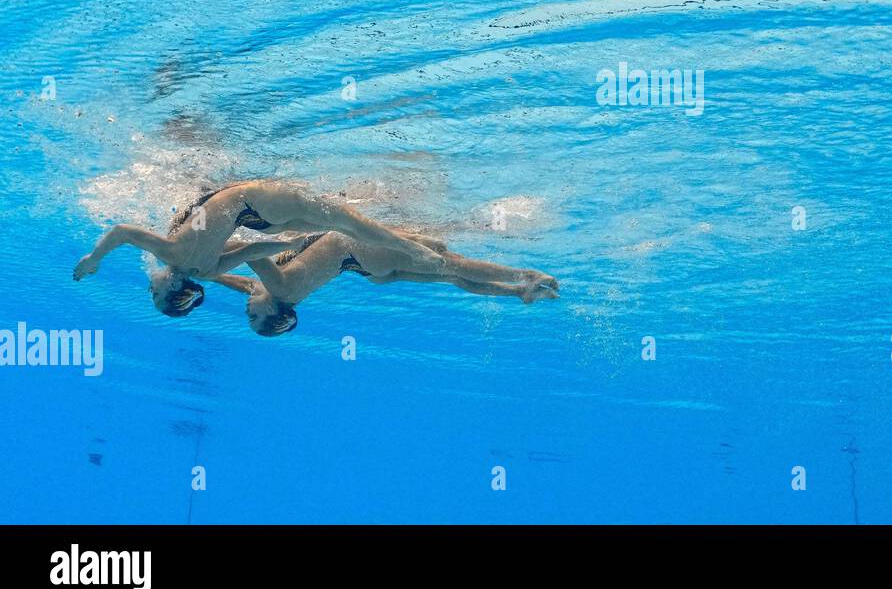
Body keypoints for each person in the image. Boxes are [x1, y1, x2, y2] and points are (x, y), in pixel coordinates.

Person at [72, 180, 449, 317]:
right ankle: (413, 249)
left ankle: (415, 234)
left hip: (258, 219)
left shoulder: (204, 271)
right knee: (349, 222)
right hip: (253, 203)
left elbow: (249, 254)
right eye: (154, 293)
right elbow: (122, 230)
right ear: (171, 287)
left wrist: (283, 243)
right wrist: (94, 259)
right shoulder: (171, 256)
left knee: (342, 216)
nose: (150, 286)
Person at [212, 229, 559, 336]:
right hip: (359, 253)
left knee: (452, 277)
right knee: (450, 263)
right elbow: (251, 253)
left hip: (367, 271)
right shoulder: (278, 287)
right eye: (252, 316)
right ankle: (525, 276)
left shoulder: (272, 291)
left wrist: (200, 271)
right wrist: (210, 245)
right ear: (272, 308)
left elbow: (230, 279)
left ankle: (516, 293)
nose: (245, 311)